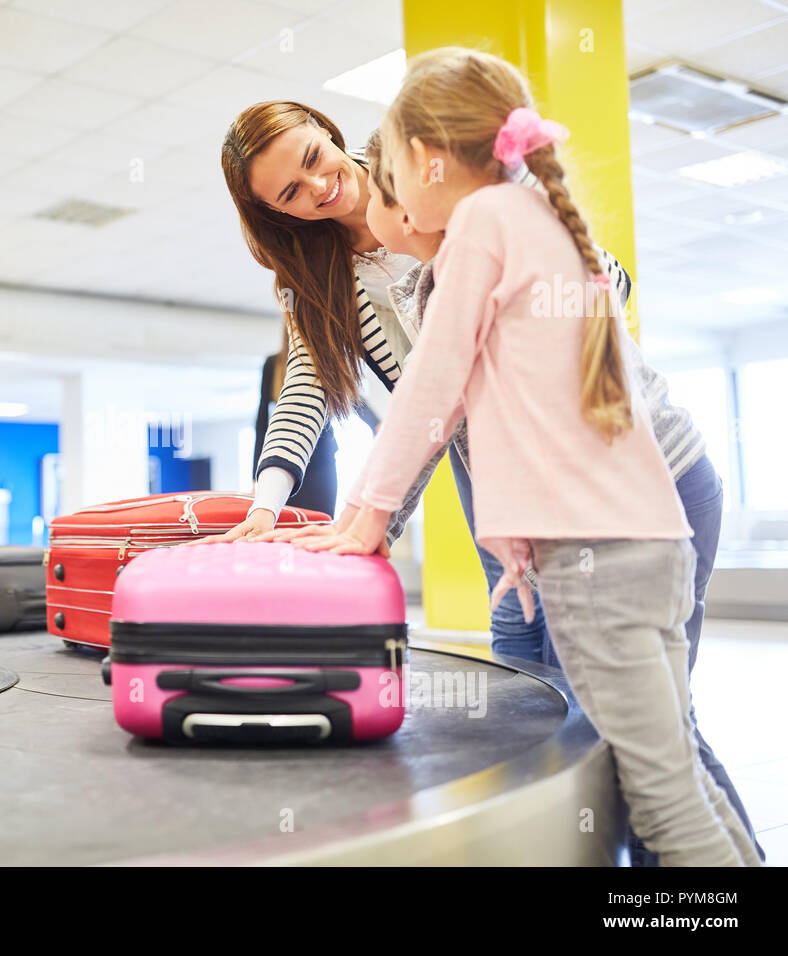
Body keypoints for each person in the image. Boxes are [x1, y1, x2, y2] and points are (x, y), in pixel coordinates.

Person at [219, 100, 764, 865]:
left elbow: (445, 394)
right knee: (555, 691)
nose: (322, 187)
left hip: (619, 485)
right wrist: (273, 502)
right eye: (289, 193)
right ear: (275, 216)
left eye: (316, 157)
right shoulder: (352, 279)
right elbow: (343, 396)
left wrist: (368, 518)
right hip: (518, 487)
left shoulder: (453, 214)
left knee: (640, 727)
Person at [253, 325, 339, 516]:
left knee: (321, 522)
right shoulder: (273, 364)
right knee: (287, 525)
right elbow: (261, 422)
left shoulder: (326, 361)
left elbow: (354, 397)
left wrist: (375, 423)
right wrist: (256, 475)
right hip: (285, 460)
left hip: (321, 464)